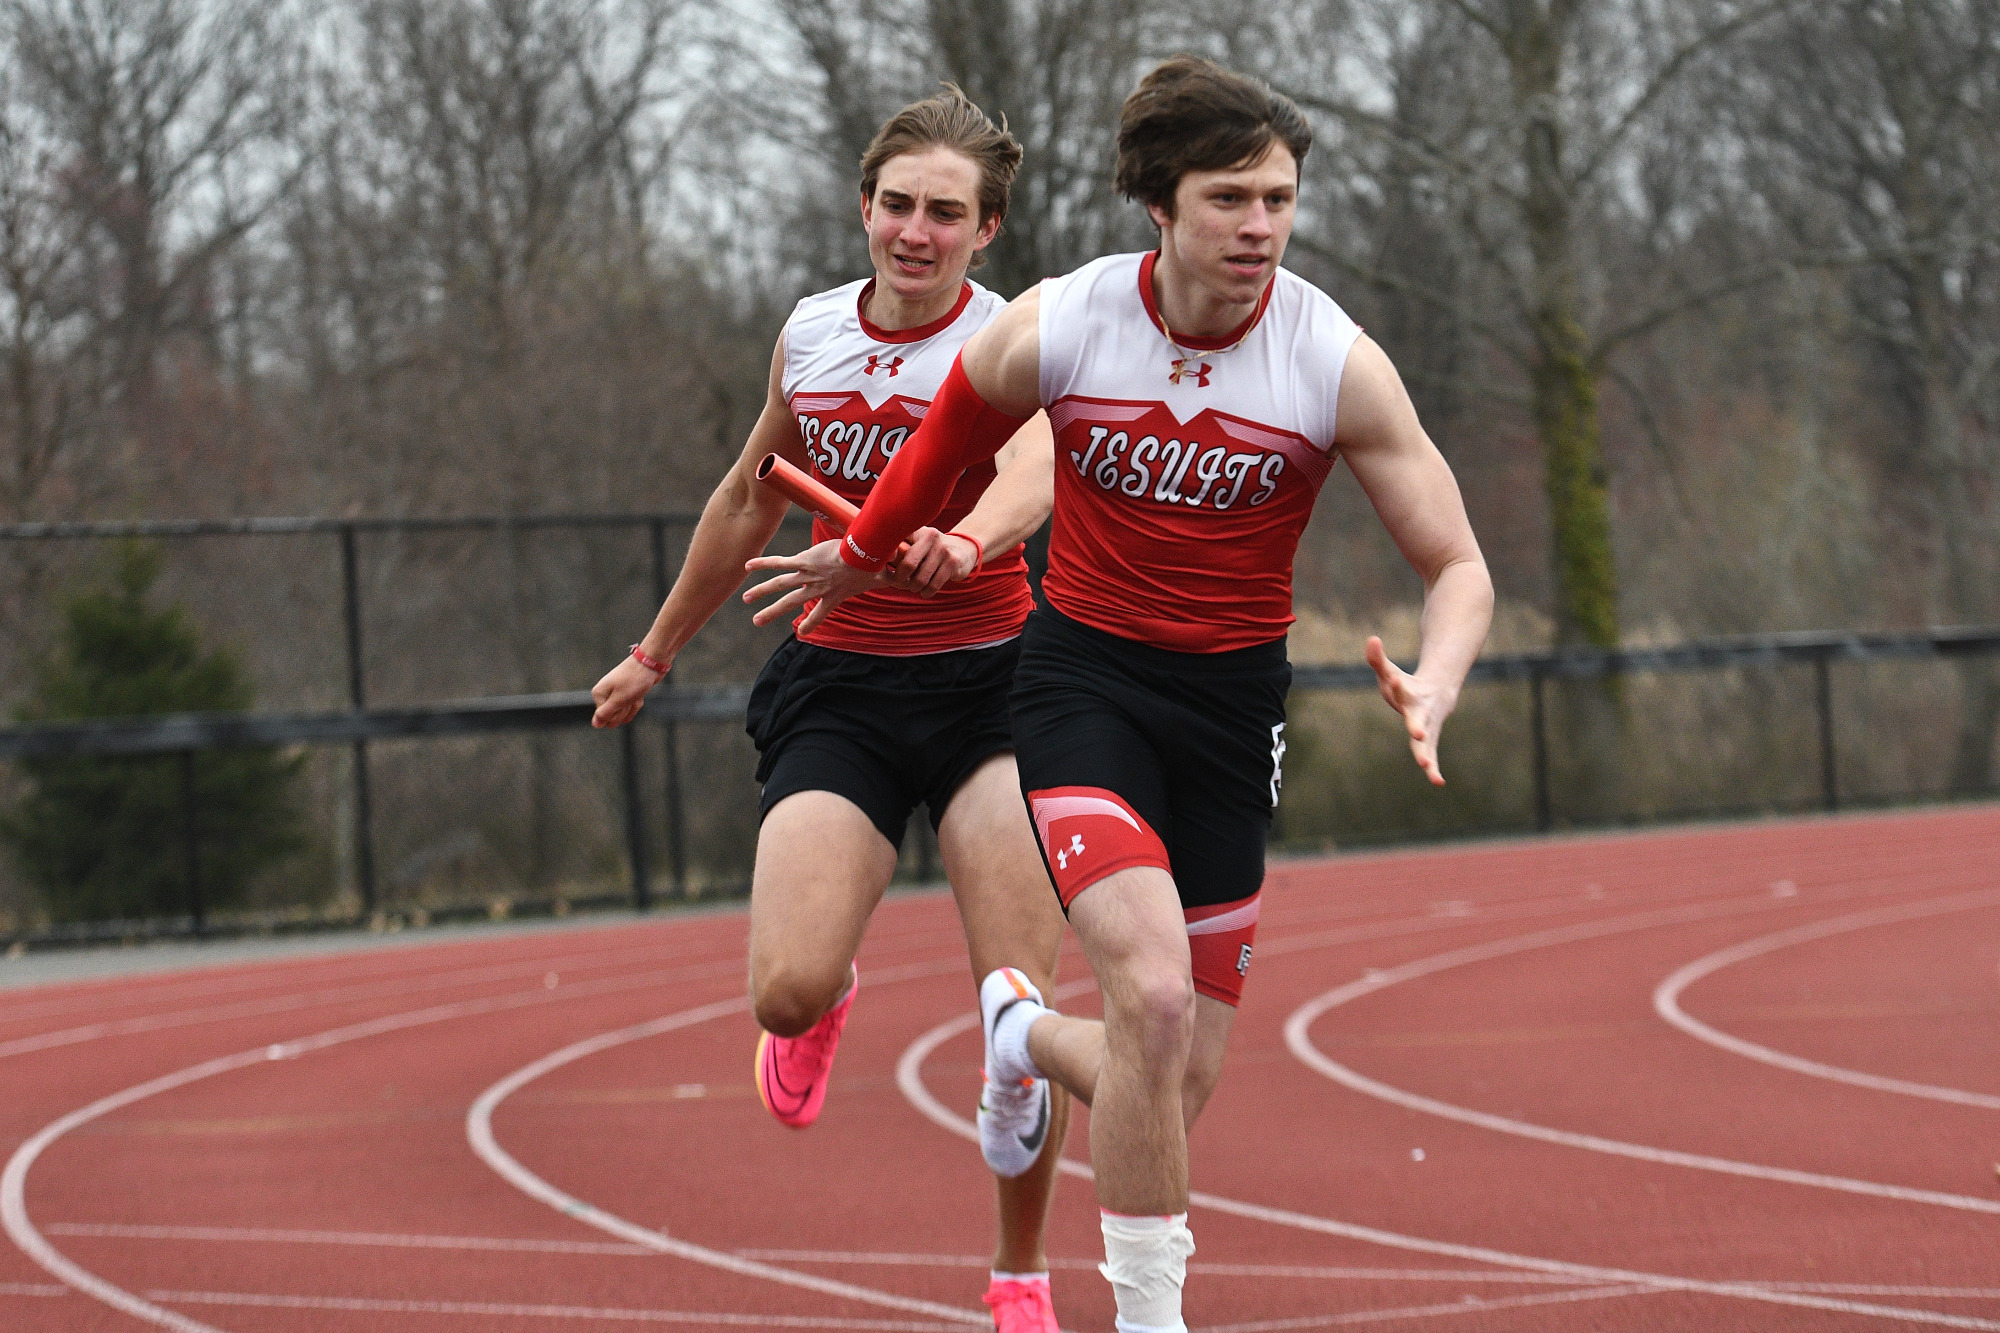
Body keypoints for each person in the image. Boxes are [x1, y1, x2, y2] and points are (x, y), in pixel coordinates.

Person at [743, 57, 1495, 1333]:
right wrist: (865, 555)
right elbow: (932, 466)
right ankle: (1149, 1319)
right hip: (1081, 682)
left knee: (1169, 1079)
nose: (1257, 227)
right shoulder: (1065, 325)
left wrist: (1437, 677)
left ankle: (1015, 1037)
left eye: (1278, 198)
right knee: (1144, 996)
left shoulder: (1330, 360)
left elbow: (1457, 562)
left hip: (1231, 707)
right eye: (1228, 200)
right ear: (1159, 205)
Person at [591, 87, 1071, 1333]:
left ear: (988, 230)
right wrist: (655, 650)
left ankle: (1020, 1268)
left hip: (995, 686)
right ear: (864, 207)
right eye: (897, 204)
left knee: (1018, 1010)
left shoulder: (1014, 336)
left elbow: (1034, 469)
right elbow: (748, 499)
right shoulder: (808, 334)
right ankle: (829, 993)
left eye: (945, 213)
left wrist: (963, 542)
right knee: (782, 994)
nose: (916, 231)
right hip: (843, 685)